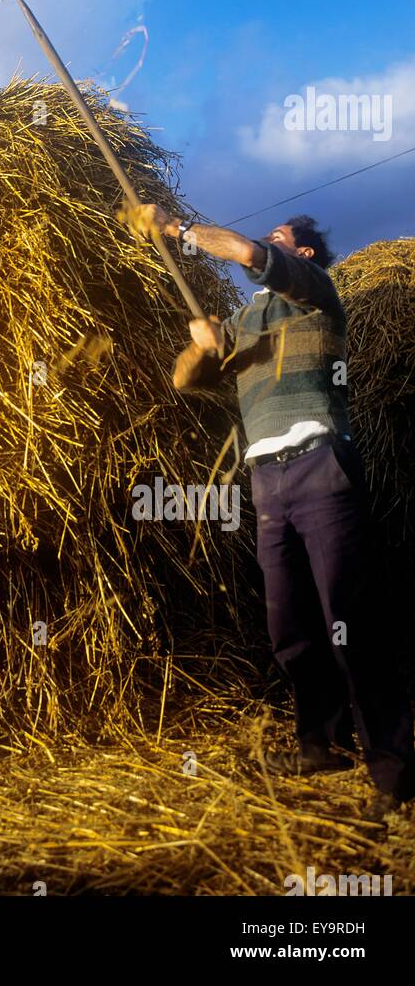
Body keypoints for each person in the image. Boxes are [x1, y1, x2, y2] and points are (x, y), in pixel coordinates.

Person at [134, 205, 415, 831]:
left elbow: (248, 255)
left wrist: (177, 231)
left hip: (320, 464)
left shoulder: (316, 295)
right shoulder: (244, 322)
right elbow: (184, 381)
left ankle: (392, 767)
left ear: (303, 255)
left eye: (281, 238)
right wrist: (202, 347)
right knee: (290, 623)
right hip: (268, 480)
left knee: (351, 617)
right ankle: (321, 746)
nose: (268, 241)